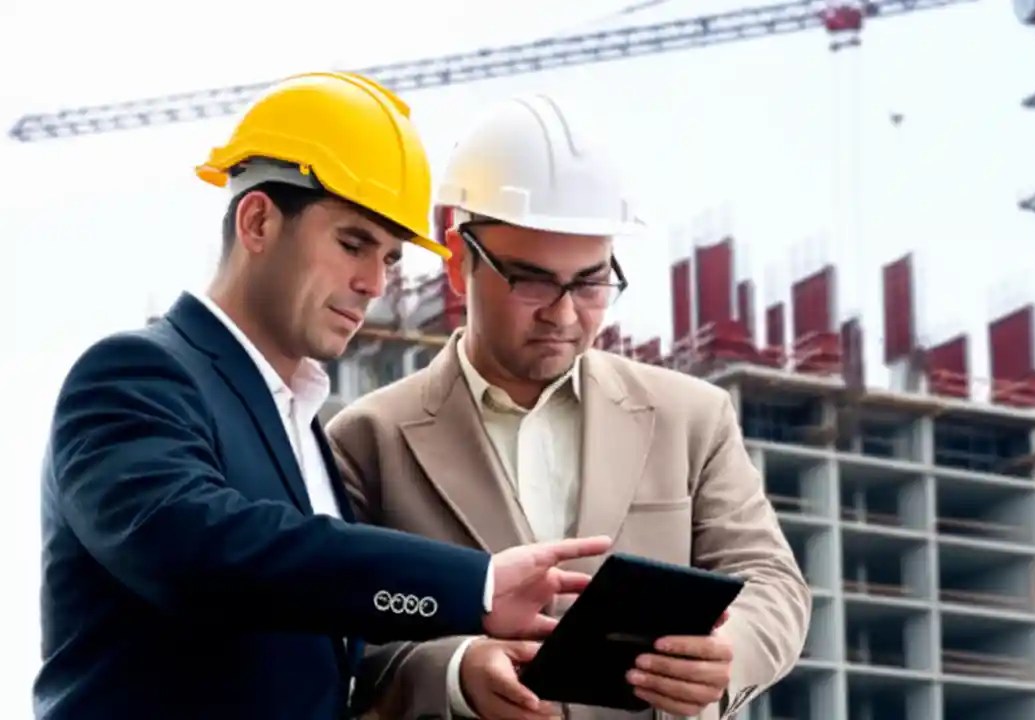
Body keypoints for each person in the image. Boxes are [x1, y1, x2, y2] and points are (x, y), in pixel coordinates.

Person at [33, 72, 612, 720]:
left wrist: (462, 666)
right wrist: (474, 585)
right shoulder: (133, 376)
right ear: (257, 221)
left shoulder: (303, 430)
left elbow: (317, 654)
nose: (373, 283)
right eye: (353, 243)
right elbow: (200, 552)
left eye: (391, 259)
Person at [326, 93, 812, 720]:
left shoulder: (692, 418)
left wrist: (727, 654)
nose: (562, 314)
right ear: (459, 263)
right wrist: (453, 673)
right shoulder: (369, 441)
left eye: (589, 283)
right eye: (530, 280)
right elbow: (332, 641)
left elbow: (772, 583)